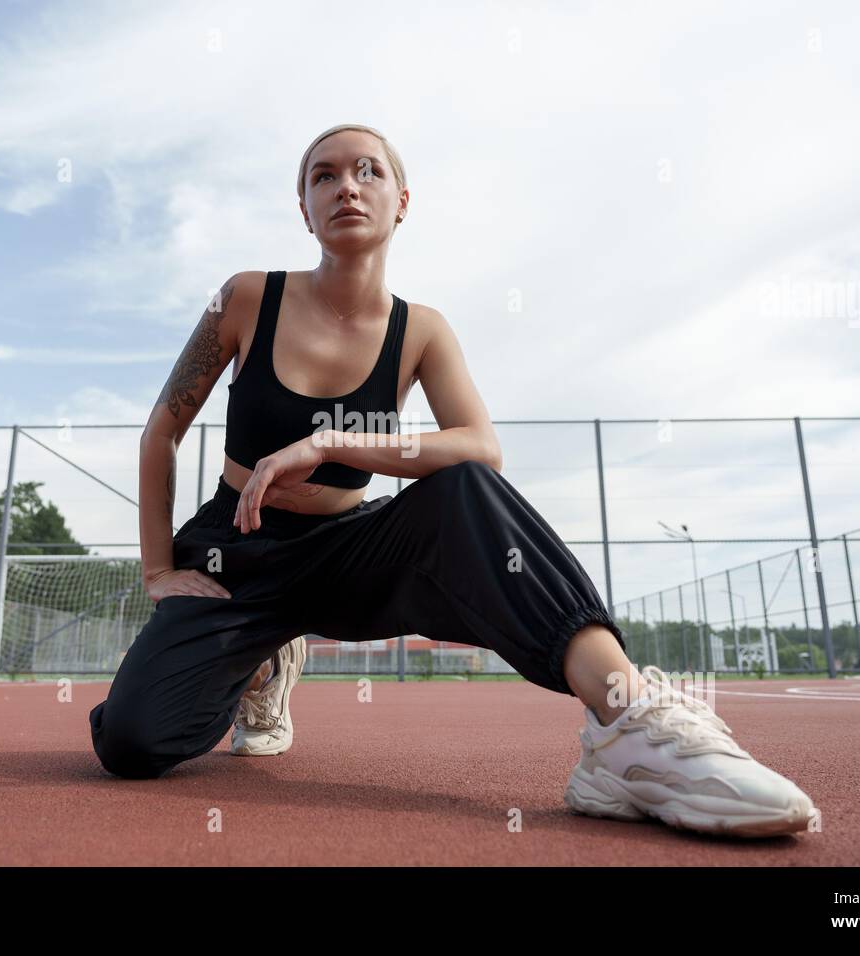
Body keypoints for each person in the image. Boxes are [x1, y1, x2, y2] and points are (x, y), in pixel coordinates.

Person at [89, 123, 816, 838]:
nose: (347, 186)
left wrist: (333, 441)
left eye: (368, 171)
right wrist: (157, 568)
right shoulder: (246, 297)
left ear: (402, 200)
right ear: (302, 209)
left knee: (465, 487)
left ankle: (629, 723)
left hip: (347, 556)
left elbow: (480, 445)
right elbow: (163, 431)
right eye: (324, 175)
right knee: (129, 745)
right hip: (237, 556)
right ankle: (258, 667)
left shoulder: (422, 330)